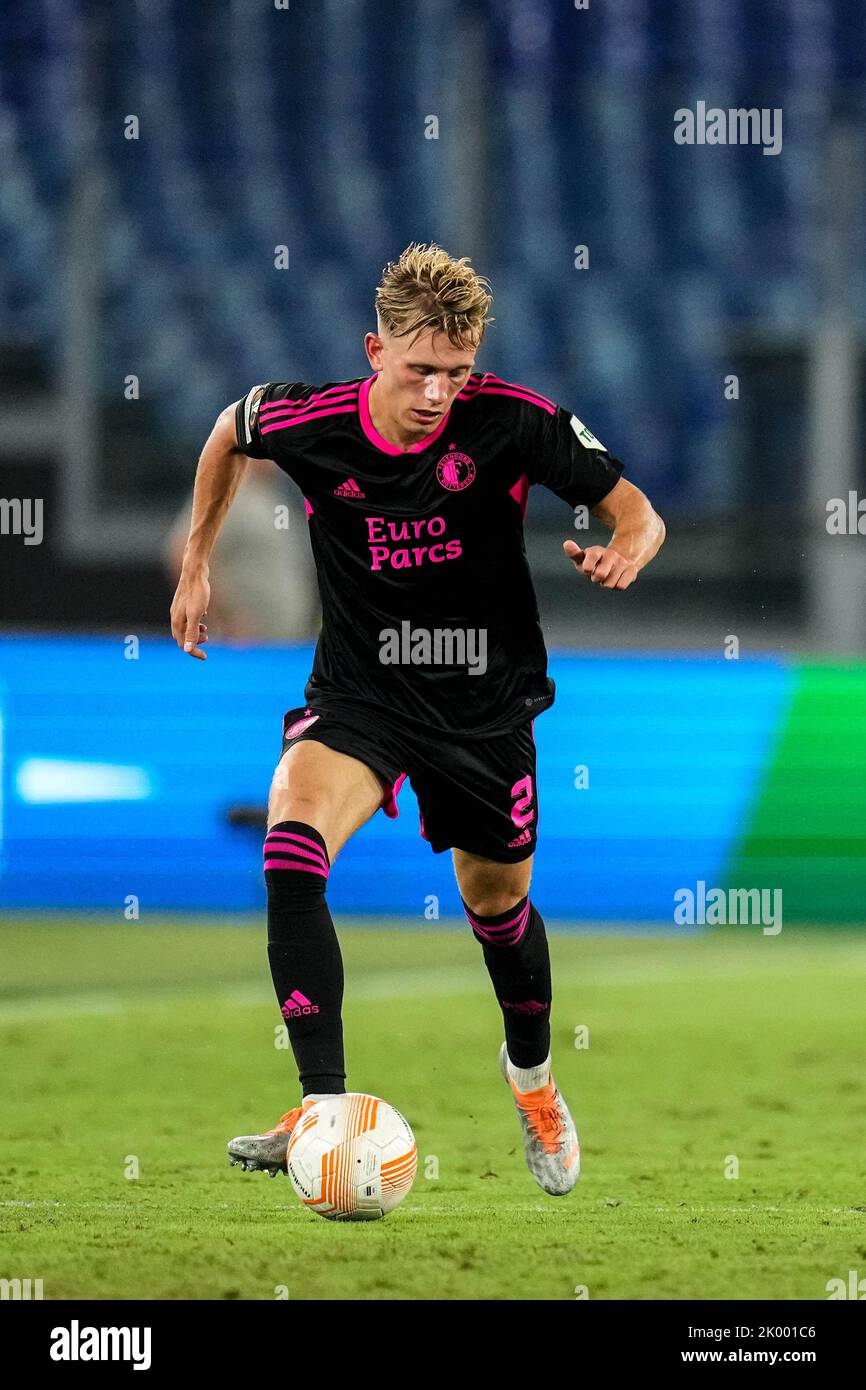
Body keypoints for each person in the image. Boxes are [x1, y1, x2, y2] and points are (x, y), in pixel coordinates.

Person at [169, 243, 665, 1196]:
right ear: (374, 351)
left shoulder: (514, 423)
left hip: (484, 710)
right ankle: (322, 1108)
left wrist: (627, 549)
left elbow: (635, 509)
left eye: (457, 372)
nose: (439, 392)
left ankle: (532, 1080)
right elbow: (226, 435)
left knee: (497, 907)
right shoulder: (309, 420)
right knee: (291, 844)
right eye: (420, 369)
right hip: (361, 695)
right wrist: (197, 563)